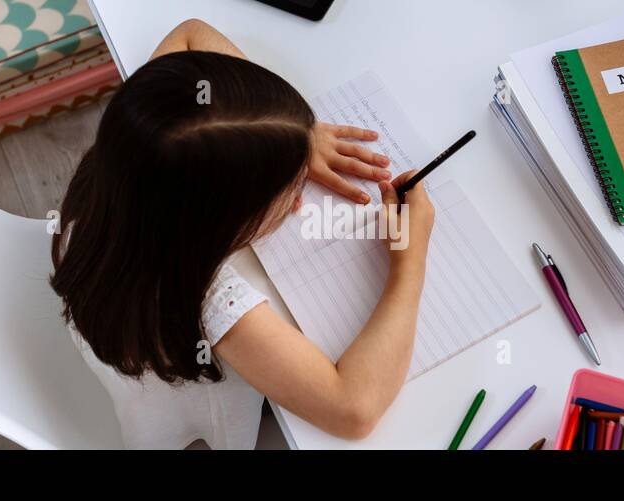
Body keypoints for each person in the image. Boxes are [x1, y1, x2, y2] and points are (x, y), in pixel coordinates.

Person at [51, 19, 434, 445]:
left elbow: (191, 33)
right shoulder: (209, 303)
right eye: (287, 190)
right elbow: (353, 410)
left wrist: (287, 132)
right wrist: (408, 260)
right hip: (179, 409)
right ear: (224, 228)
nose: (297, 198)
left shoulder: (140, 147)